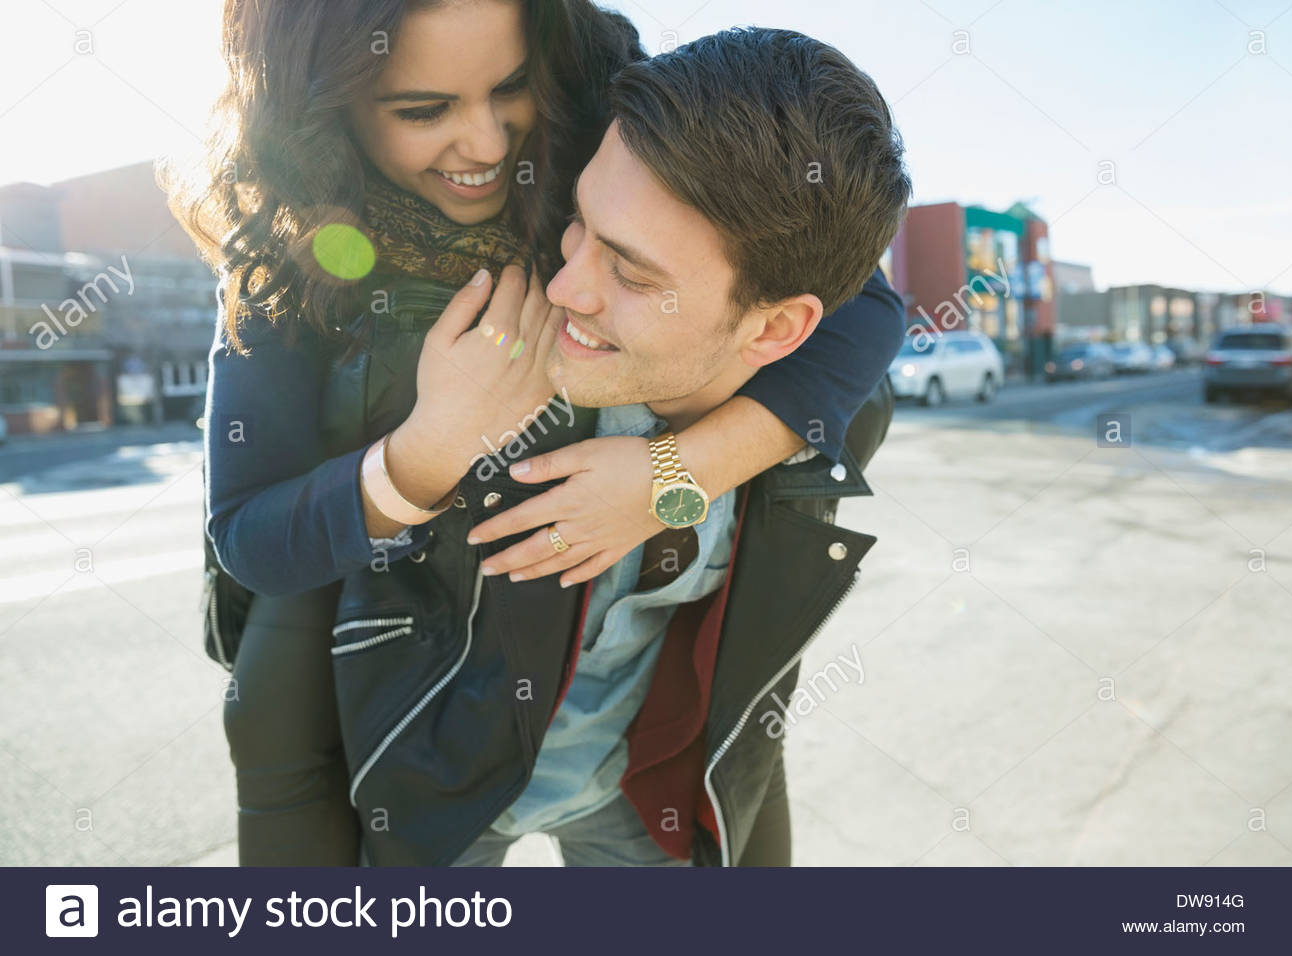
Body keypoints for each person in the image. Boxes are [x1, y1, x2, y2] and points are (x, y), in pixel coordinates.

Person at [176, 0, 904, 866]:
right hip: (433, 750)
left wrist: (674, 473)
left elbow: (858, 303)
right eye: (422, 109)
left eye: (510, 87)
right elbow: (252, 537)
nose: (486, 146)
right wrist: (426, 455)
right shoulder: (286, 253)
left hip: (641, 767)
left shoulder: (608, 131)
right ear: (322, 104)